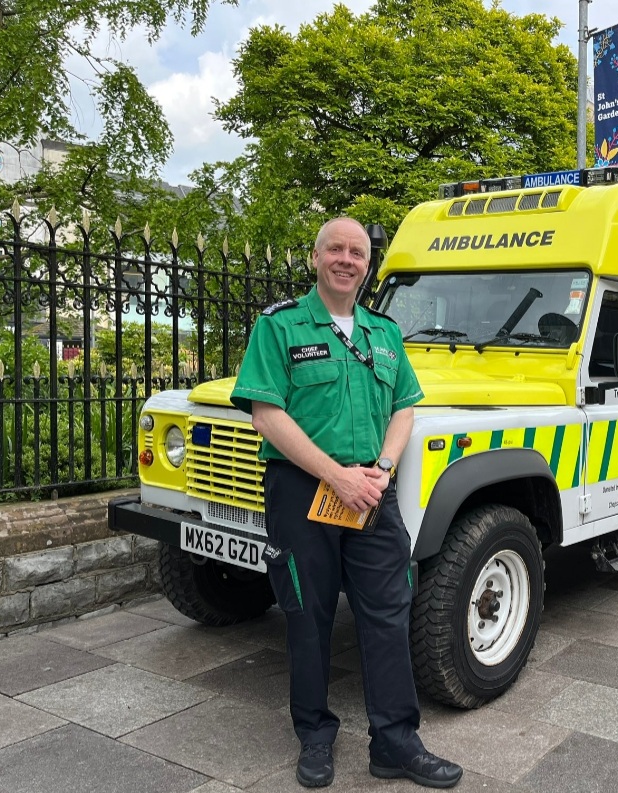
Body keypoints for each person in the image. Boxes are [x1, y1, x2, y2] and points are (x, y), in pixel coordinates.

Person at [230, 217, 462, 790]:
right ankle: (315, 735)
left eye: (357, 252)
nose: (347, 259)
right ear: (315, 258)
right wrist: (336, 476)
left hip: (370, 493)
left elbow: (406, 407)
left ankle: (396, 743)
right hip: (304, 490)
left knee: (388, 614)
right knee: (307, 616)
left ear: (367, 265)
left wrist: (381, 469)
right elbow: (267, 414)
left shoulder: (383, 334)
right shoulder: (279, 326)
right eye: (335, 248)